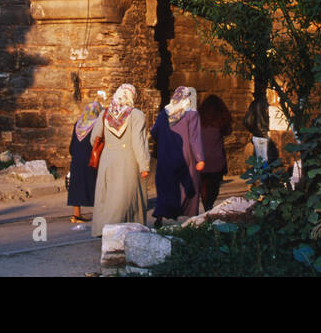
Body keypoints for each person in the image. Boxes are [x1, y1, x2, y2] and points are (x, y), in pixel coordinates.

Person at [90, 83, 151, 236]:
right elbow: (139, 142)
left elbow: (94, 139)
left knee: (108, 196)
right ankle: (127, 231)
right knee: (127, 197)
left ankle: (103, 229)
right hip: (128, 159)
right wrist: (144, 165)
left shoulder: (105, 113)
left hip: (107, 159)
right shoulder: (136, 114)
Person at [152, 86, 204, 222]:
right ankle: (190, 216)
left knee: (166, 185)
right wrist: (200, 158)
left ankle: (161, 214)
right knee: (188, 183)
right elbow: (194, 137)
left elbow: (154, 132)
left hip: (165, 155)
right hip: (185, 155)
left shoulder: (165, 112)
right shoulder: (192, 114)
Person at [67, 92, 104, 224]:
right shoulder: (97, 124)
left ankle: (76, 215)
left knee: (76, 185)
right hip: (91, 160)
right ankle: (99, 214)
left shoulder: (78, 124)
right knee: (96, 185)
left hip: (76, 160)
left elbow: (71, 147)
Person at [197, 93, 231, 211]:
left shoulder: (199, 119)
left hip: (201, 157)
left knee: (204, 184)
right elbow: (228, 131)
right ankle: (210, 205)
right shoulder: (221, 120)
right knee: (214, 184)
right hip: (217, 157)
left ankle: (206, 206)